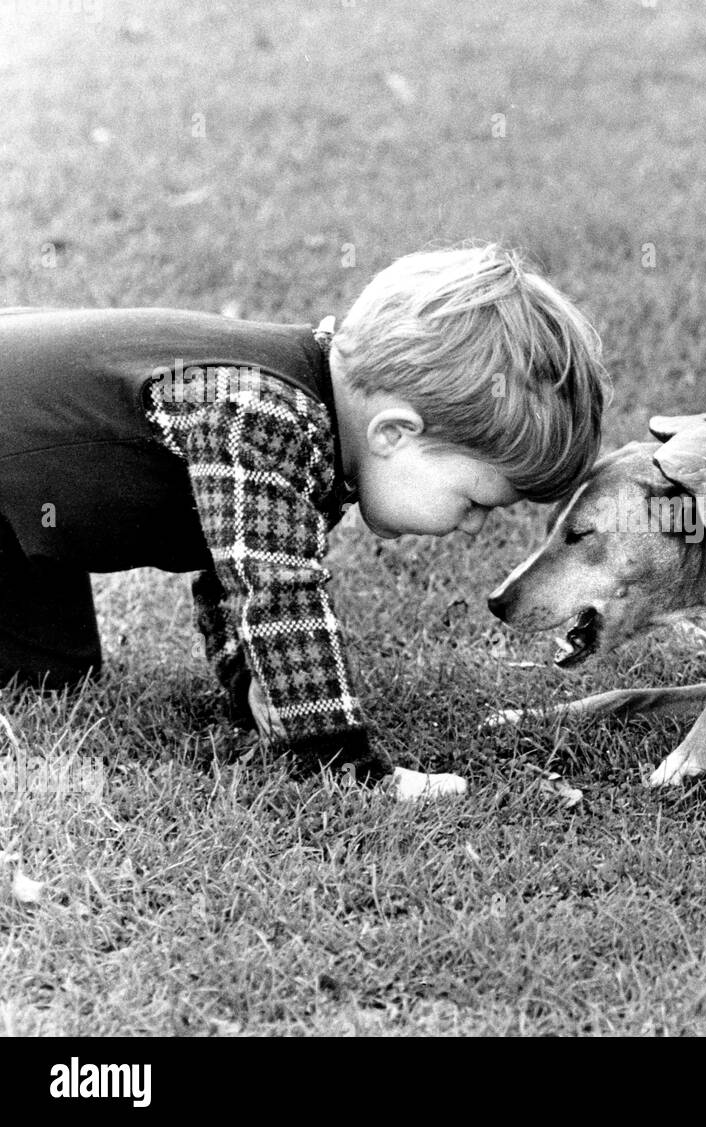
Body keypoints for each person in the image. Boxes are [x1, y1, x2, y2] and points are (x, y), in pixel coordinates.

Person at [0, 244, 609, 800]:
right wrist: (336, 760)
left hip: (24, 512)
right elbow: (276, 591)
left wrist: (252, 686)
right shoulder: (261, 413)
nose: (473, 526)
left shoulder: (320, 421)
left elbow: (228, 563)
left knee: (50, 679)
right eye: (475, 501)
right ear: (395, 433)